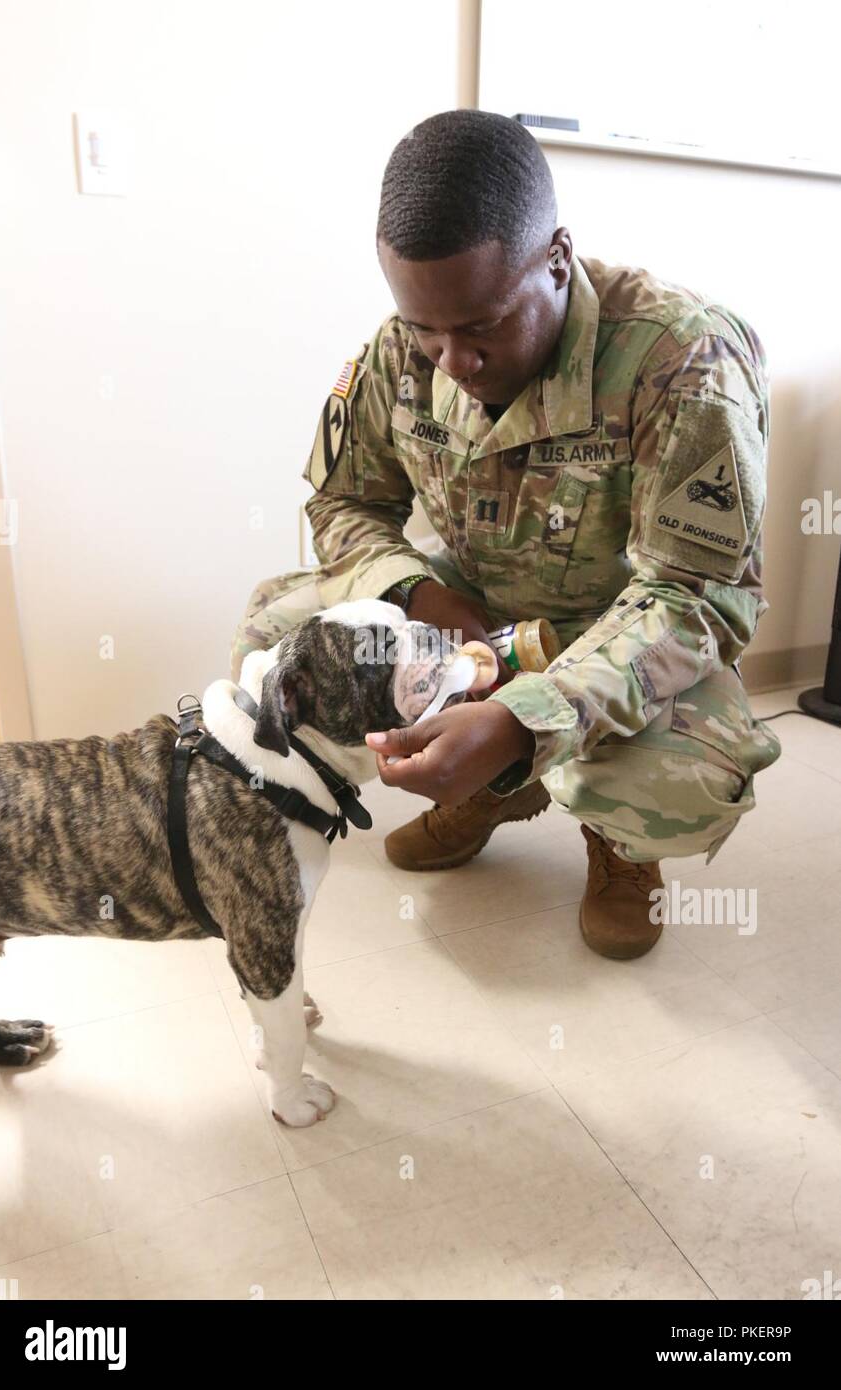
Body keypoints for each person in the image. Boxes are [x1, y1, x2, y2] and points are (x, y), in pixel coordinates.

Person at [230, 109, 781, 959]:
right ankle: (493, 793)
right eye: (425, 328)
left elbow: (695, 600)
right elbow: (343, 506)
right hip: (475, 608)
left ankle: (616, 844)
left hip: (620, 625)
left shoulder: (684, 359)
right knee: (275, 634)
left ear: (557, 259)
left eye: (482, 325)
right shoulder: (400, 349)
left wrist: (527, 719)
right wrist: (417, 593)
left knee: (683, 782)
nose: (450, 359)